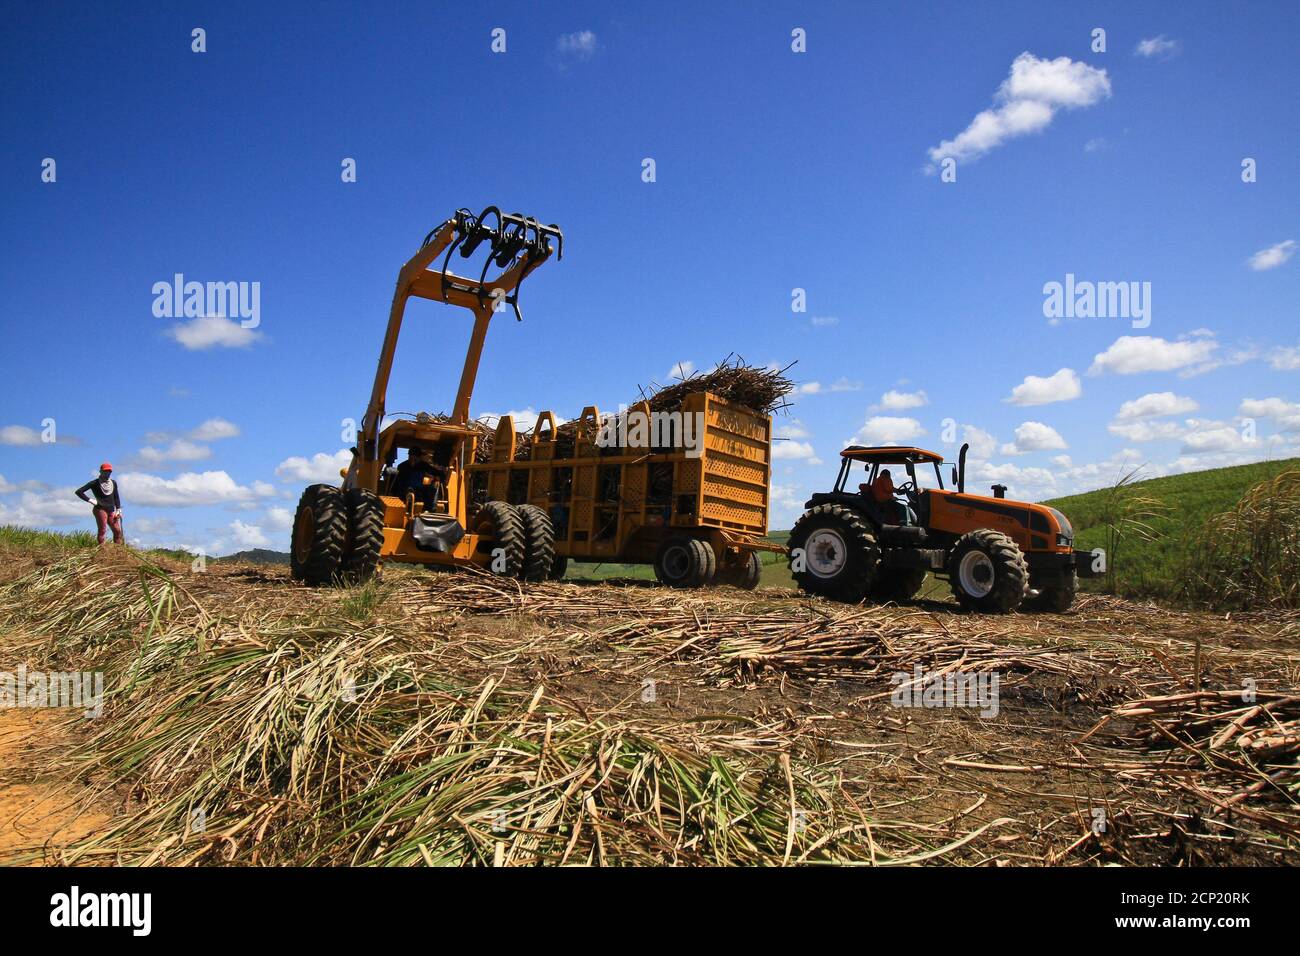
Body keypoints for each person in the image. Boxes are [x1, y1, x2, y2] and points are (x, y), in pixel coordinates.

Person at [75, 462, 124, 544]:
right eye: (105, 471)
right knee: (102, 530)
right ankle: (102, 550)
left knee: (117, 531)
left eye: (109, 471)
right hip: (100, 508)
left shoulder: (113, 483)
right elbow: (79, 492)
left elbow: (116, 497)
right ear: (101, 471)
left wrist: (118, 509)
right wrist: (90, 500)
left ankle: (118, 550)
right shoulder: (95, 483)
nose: (107, 473)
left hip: (111, 509)